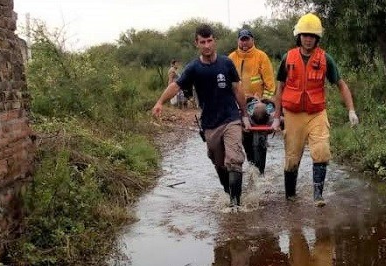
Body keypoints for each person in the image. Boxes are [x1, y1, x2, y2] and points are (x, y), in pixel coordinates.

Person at [152, 24, 251, 207]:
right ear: (196, 43)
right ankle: (229, 193)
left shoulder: (226, 63)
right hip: (210, 124)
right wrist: (160, 102)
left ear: (215, 41)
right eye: (202, 42)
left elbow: (237, 89)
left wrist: (244, 115)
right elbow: (176, 86)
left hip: (231, 119)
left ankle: (236, 208)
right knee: (220, 165)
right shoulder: (193, 68)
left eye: (210, 41)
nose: (207, 45)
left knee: (235, 161)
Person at [271, 13, 360, 206]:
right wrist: (277, 118)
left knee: (321, 151)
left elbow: (341, 85)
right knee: (292, 159)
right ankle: (291, 197)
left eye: (312, 35)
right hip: (293, 114)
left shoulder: (325, 59)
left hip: (316, 113)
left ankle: (317, 196)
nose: (308, 39)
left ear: (317, 38)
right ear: (299, 36)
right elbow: (280, 89)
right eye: (305, 35)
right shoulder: (288, 58)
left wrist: (351, 110)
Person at [228, 29, 276, 175]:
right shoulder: (231, 58)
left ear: (252, 40)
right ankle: (252, 167)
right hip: (239, 104)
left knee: (260, 131)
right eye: (242, 39)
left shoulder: (261, 56)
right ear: (238, 41)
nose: (244, 42)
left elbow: (270, 84)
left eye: (247, 39)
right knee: (245, 139)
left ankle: (259, 172)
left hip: (259, 104)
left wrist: (265, 101)